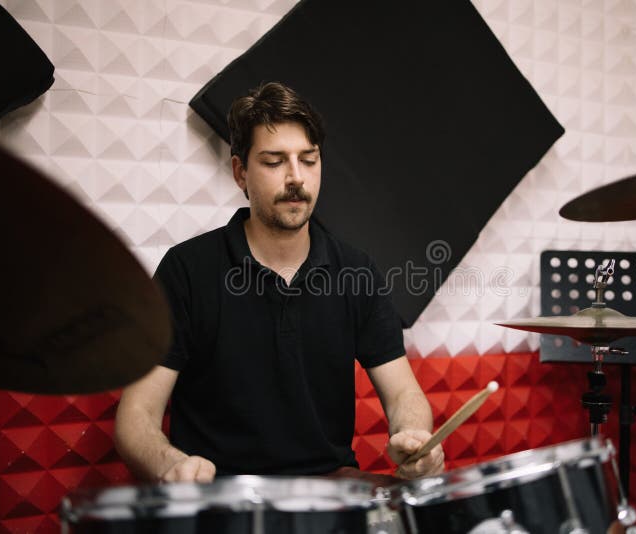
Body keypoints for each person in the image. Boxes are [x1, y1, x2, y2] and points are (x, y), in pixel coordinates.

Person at [114, 81, 444, 483]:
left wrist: (414, 436)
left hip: (329, 487)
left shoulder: (356, 272)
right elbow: (136, 416)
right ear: (241, 172)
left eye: (309, 159)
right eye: (274, 162)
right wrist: (170, 465)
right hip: (223, 495)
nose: (296, 178)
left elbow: (403, 394)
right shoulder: (187, 270)